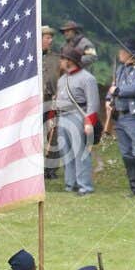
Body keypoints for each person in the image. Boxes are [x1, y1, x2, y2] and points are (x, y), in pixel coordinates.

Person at [108, 40, 135, 198]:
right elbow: (111, 89)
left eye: (123, 51)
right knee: (126, 153)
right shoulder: (120, 70)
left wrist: (117, 91)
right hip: (119, 115)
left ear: (131, 53)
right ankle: (134, 188)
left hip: (134, 116)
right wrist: (108, 99)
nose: (120, 54)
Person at [53, 47, 99, 195]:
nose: (60, 61)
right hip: (63, 117)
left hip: (78, 117)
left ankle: (84, 186)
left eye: (62, 59)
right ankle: (70, 184)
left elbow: (93, 103)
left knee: (80, 153)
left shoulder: (87, 78)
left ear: (70, 61)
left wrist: (88, 123)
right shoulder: (62, 79)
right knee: (66, 153)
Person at [41, 26, 61, 180]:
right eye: (46, 37)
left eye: (50, 37)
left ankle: (51, 168)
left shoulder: (56, 58)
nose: (50, 40)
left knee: (53, 133)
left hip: (52, 100)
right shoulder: (30, 57)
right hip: (35, 102)